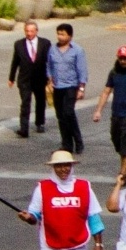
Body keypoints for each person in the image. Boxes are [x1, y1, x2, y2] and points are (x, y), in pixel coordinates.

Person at [46, 23, 88, 156]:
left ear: (70, 36)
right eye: (58, 33)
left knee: (68, 113)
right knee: (60, 115)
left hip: (71, 86)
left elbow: (82, 70)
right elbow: (48, 66)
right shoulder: (52, 49)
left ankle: (78, 141)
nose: (60, 36)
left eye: (63, 34)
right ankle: (66, 143)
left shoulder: (77, 50)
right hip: (58, 86)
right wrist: (49, 80)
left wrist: (81, 88)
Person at [7, 20, 51, 138]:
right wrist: (11, 78)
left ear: (36, 31)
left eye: (31, 31)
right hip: (24, 80)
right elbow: (15, 62)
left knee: (40, 101)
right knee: (25, 103)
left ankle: (40, 123)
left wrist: (51, 77)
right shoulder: (19, 44)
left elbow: (50, 61)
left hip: (40, 79)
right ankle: (24, 128)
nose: (29, 33)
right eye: (27, 31)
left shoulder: (45, 43)